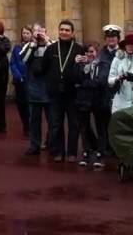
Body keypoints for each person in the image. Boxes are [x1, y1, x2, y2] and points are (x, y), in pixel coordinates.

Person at [43, 20, 85, 163]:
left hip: (72, 93)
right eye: (62, 29)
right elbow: (44, 68)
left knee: (74, 124)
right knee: (55, 124)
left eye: (67, 30)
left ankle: (72, 152)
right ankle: (58, 151)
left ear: (72, 33)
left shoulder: (79, 49)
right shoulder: (51, 49)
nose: (64, 32)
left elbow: (83, 71)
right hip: (55, 93)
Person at [70, 43, 107, 169]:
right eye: (86, 52)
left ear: (97, 52)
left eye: (92, 51)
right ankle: (86, 152)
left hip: (98, 100)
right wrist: (76, 64)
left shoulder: (103, 64)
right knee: (84, 127)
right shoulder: (80, 65)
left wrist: (83, 84)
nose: (89, 54)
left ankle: (101, 153)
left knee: (100, 127)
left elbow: (100, 82)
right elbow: (75, 79)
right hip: (83, 100)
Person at [92, 25, 121, 159]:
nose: (111, 39)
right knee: (100, 124)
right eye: (109, 37)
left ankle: (114, 149)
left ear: (118, 38)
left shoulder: (122, 54)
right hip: (100, 95)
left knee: (114, 124)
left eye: (113, 37)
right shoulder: (100, 54)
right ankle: (102, 148)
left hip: (116, 94)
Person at [22, 24, 51, 156]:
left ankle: (51, 143)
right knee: (34, 120)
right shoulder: (29, 46)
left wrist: (47, 43)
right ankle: (34, 145)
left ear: (46, 32)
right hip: (34, 88)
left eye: (41, 31)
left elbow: (56, 58)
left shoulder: (51, 45)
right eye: (36, 31)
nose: (38, 33)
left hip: (49, 88)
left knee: (52, 120)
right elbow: (24, 59)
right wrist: (33, 44)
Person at [10, 26, 34, 136]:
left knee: (29, 104)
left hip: (30, 79)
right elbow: (13, 63)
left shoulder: (33, 47)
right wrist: (18, 75)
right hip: (19, 80)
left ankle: (30, 126)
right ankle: (25, 123)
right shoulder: (17, 47)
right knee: (21, 104)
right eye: (24, 33)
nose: (25, 35)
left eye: (28, 33)